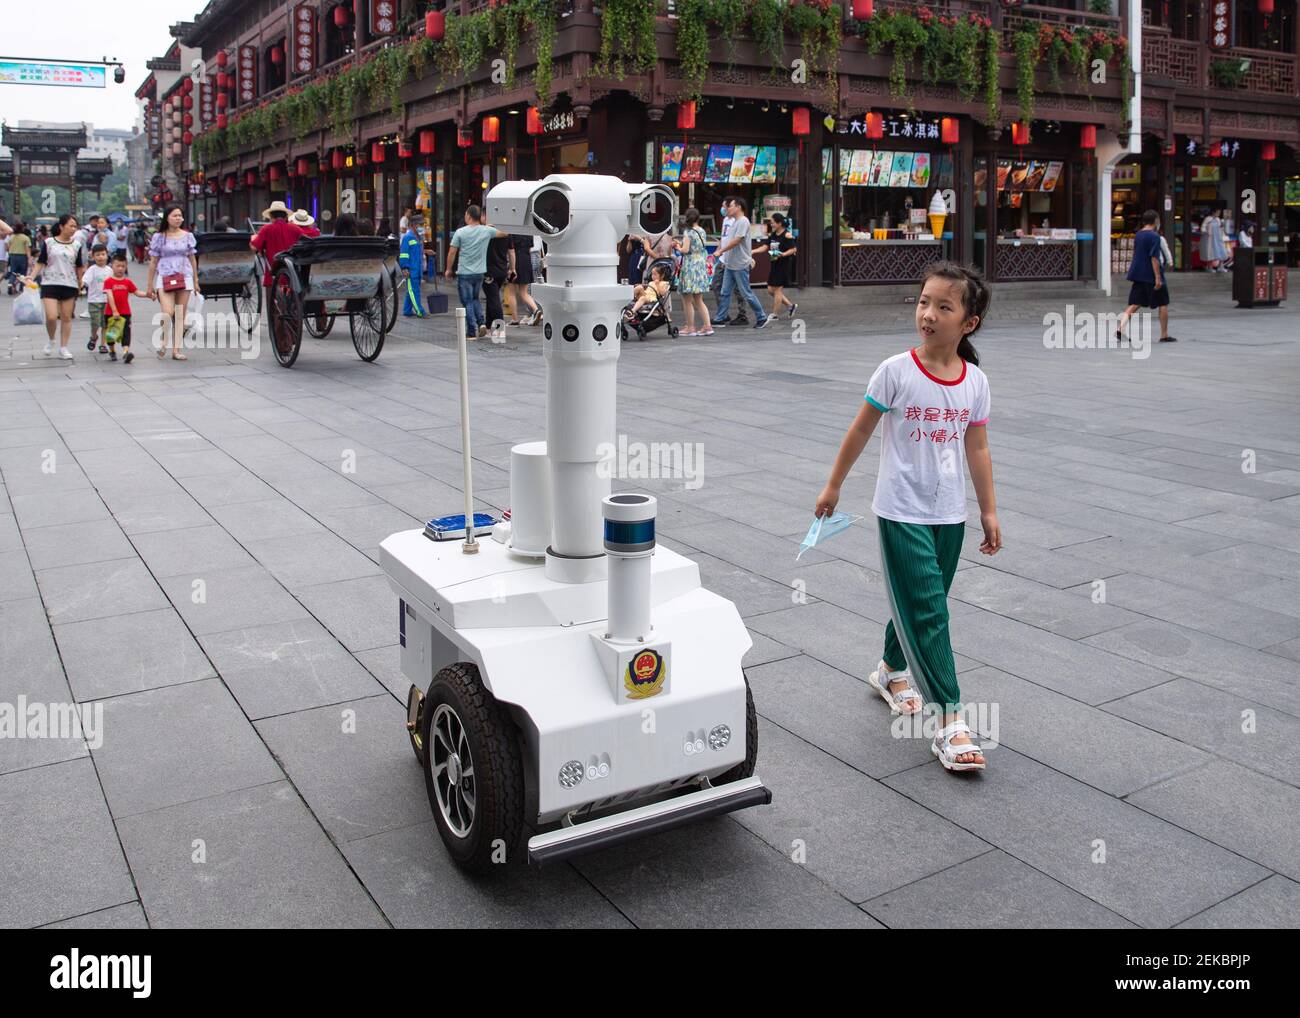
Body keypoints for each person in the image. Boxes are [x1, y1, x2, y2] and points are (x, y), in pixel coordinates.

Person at [815, 261, 999, 772]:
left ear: (969, 322)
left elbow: (977, 448)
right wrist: (833, 486)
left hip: (949, 515)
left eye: (944, 306)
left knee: (924, 599)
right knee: (930, 611)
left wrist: (988, 512)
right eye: (924, 302)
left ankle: (891, 670)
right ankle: (951, 723)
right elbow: (860, 431)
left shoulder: (975, 382)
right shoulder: (895, 370)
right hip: (901, 510)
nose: (929, 314)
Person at [146, 203, 200, 361]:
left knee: (180, 314)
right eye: (174, 215)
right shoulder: (159, 237)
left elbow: (192, 258)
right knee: (168, 312)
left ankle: (176, 350)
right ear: (167, 218)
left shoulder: (188, 236)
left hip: (185, 276)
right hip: (165, 276)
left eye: (180, 216)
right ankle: (164, 342)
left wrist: (196, 280)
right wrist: (150, 285)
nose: (178, 218)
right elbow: (153, 261)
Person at [445, 205, 507, 339]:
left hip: (465, 273)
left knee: (467, 302)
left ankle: (471, 331)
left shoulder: (460, 232)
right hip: (480, 273)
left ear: (468, 216)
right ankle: (481, 323)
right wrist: (492, 226)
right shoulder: (486, 231)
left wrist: (448, 269)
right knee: (475, 299)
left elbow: (452, 252)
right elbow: (505, 233)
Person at [710, 196, 771, 329]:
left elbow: (736, 240)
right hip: (730, 264)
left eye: (730, 206)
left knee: (746, 293)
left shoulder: (743, 221)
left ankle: (761, 317)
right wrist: (721, 251)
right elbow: (727, 239)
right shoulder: (734, 221)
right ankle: (720, 318)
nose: (728, 209)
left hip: (740, 264)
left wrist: (721, 251)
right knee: (725, 292)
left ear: (738, 207)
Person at [1116, 210, 1174, 344]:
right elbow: (1154, 258)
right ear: (1155, 221)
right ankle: (1164, 334)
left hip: (1138, 273)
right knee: (1163, 303)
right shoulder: (1154, 236)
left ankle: (1120, 328)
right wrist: (1158, 277)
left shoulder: (1138, 235)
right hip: (1150, 274)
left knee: (1135, 303)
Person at [249, 200, 304, 330]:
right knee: (292, 306)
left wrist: (252, 240)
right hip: (293, 277)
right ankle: (293, 333)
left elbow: (254, 247)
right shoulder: (296, 229)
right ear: (285, 216)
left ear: (272, 216)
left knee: (276, 310)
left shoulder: (266, 229)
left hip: (274, 278)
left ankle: (282, 342)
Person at [673, 207, 712, 336]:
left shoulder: (688, 232)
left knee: (687, 299)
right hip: (700, 266)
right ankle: (707, 326)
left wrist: (678, 246)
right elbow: (696, 247)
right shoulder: (701, 231)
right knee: (699, 300)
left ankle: (690, 327)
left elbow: (684, 250)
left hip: (690, 266)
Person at [753, 212, 798, 319]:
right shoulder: (773, 235)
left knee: (777, 289)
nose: (771, 224)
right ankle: (790, 306)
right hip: (774, 264)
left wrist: (783, 254)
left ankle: (775, 314)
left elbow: (793, 249)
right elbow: (765, 247)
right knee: (770, 289)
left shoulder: (787, 235)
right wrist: (753, 251)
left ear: (779, 223)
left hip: (784, 264)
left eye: (773, 222)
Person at [102, 251, 139, 363]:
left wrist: (147, 294)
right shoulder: (108, 281)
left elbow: (136, 291)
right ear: (112, 266)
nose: (120, 268)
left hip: (125, 312)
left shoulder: (127, 281)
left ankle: (125, 352)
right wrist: (114, 311)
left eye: (123, 266)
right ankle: (112, 351)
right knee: (111, 335)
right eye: (117, 266)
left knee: (126, 333)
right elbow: (109, 296)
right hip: (110, 312)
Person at [483, 217, 512, 332]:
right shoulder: (506, 231)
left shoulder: (486, 232)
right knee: (491, 297)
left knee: (494, 299)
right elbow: (512, 251)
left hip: (489, 271)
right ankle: (488, 324)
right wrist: (512, 268)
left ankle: (499, 330)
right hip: (502, 270)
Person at [82, 245, 113, 354]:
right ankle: (94, 336)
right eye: (97, 255)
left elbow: (114, 283)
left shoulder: (110, 270)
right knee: (95, 322)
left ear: (107, 254)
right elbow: (85, 281)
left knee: (105, 324)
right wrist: (81, 286)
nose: (100, 257)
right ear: (93, 256)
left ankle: (103, 345)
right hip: (94, 301)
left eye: (103, 254)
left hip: (107, 301)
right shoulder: (92, 269)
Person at [506, 232, 541, 326]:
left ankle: (514, 319)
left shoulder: (511, 232)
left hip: (515, 262)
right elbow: (530, 248)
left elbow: (511, 250)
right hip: (526, 261)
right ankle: (536, 310)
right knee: (524, 293)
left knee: (511, 292)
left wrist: (511, 268)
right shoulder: (528, 233)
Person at [399, 214, 426, 317]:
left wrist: (427, 251)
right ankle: (420, 311)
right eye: (421, 224)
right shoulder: (408, 237)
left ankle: (407, 310)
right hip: (411, 270)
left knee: (410, 291)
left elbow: (417, 251)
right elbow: (404, 254)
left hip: (417, 270)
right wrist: (404, 268)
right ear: (414, 225)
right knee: (414, 291)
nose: (422, 226)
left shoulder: (418, 237)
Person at [1200, 205, 1229, 272]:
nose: (1218, 214)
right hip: (1210, 238)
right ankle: (1210, 267)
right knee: (1211, 252)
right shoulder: (1208, 218)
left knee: (1222, 251)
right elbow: (1203, 227)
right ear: (1213, 212)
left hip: (1218, 238)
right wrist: (1205, 232)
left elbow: (1220, 228)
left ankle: (1220, 266)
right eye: (1217, 212)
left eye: (1219, 212)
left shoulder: (1218, 219)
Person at [6, 222, 32, 295]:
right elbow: (27, 250)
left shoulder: (11, 237)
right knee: (23, 273)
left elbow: (8, 248)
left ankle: (10, 284)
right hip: (22, 256)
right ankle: (21, 288)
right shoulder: (25, 238)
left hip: (12, 256)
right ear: (22, 228)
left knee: (13, 272)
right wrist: (29, 259)